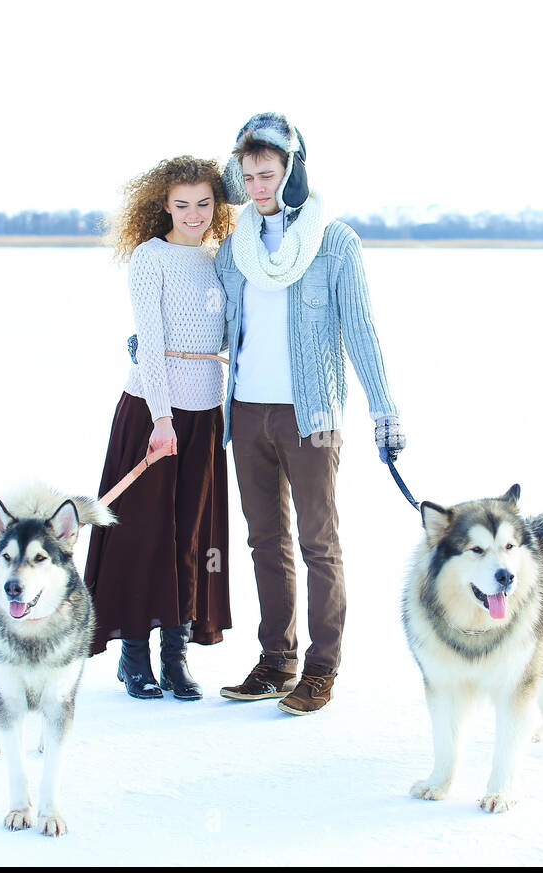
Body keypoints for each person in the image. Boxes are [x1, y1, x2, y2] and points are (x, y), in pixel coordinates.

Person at [213, 113, 405, 715]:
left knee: (319, 544)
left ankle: (322, 669)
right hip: (246, 413)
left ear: (291, 170)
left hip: (312, 414)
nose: (257, 186)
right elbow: (217, 322)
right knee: (264, 541)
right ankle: (277, 660)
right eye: (247, 175)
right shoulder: (235, 247)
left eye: (268, 173)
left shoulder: (333, 241)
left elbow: (361, 331)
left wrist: (385, 410)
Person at [83, 156, 234, 701]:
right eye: (181, 204)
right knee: (142, 537)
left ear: (217, 206)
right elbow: (148, 341)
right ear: (163, 206)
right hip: (153, 414)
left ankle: (176, 656)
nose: (194, 214)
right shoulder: (151, 258)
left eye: (203, 203)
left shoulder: (223, 260)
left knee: (191, 540)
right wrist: (162, 418)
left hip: (206, 416)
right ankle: (134, 656)